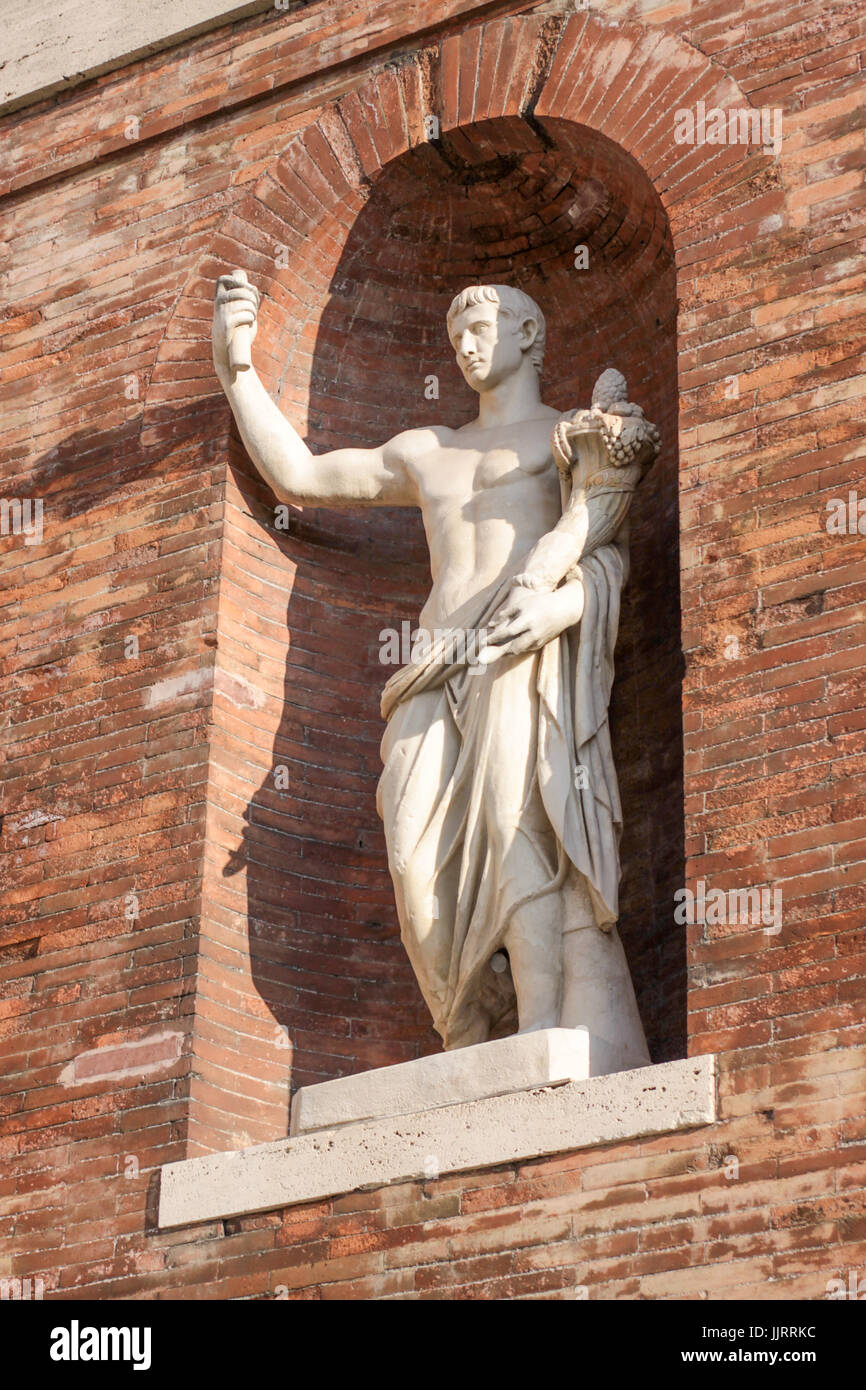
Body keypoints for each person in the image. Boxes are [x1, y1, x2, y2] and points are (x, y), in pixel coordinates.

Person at [212, 274, 651, 1066]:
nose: (466, 349)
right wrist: (237, 370)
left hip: (519, 652)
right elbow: (300, 478)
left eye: (480, 330)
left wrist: (560, 609)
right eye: (455, 340)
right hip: (433, 665)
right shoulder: (428, 451)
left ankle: (542, 1024)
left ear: (527, 336)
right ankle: (464, 1031)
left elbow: (604, 547)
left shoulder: (567, 438)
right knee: (414, 858)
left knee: (520, 823)